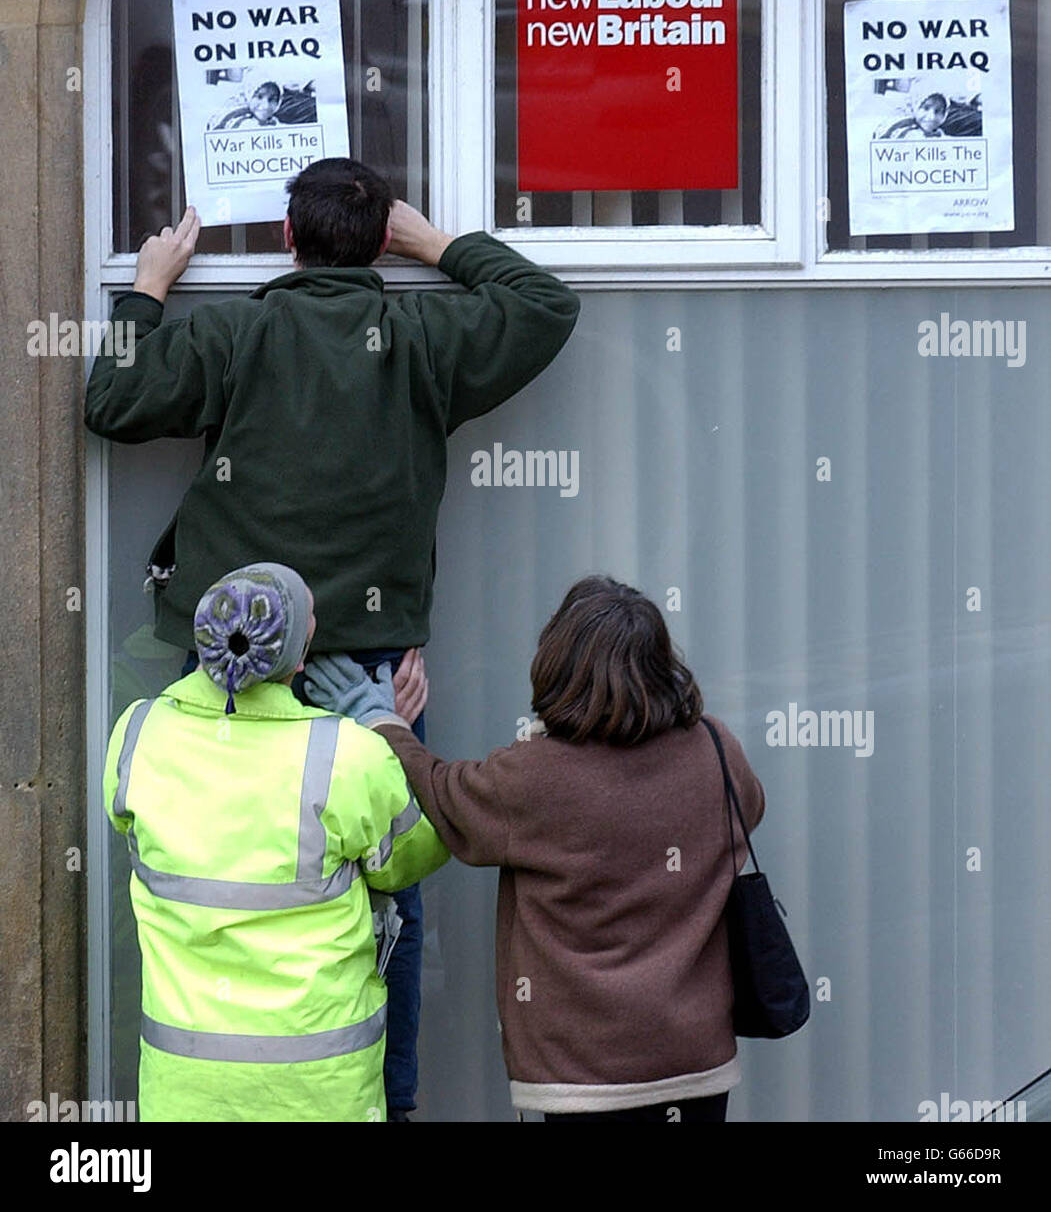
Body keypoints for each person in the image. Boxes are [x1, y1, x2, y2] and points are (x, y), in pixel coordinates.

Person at [84, 158, 580, 1118]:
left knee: (218, 880)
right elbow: (543, 305)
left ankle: (210, 1081)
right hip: (370, 675)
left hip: (228, 668)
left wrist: (148, 286)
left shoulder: (239, 330)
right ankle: (381, 1102)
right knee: (387, 897)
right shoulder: (420, 335)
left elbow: (111, 402)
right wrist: (438, 244)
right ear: (383, 239)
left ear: (285, 237)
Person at [304, 576, 766, 1123]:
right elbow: (748, 813)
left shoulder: (537, 777)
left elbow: (443, 796)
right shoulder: (716, 750)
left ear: (559, 666)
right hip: (698, 1065)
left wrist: (376, 715)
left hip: (579, 1080)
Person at [103, 562, 448, 1122]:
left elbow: (132, 823)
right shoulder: (348, 756)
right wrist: (389, 729)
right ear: (299, 661)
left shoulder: (137, 734)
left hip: (184, 1095)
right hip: (321, 1096)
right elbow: (418, 853)